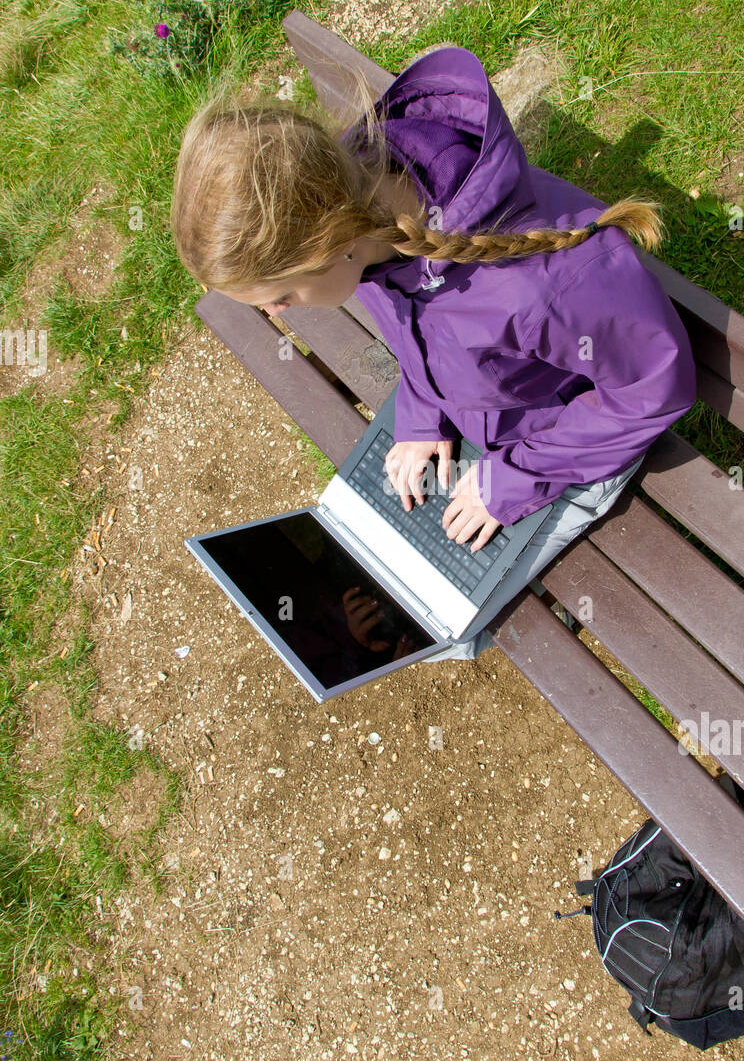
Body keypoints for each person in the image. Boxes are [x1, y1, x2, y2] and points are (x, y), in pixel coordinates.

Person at [170, 44, 697, 662]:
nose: (276, 313)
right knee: (394, 557)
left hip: (567, 444)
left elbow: (655, 388)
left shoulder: (542, 287)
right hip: (482, 415)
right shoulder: (365, 203)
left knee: (447, 631)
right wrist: (422, 415)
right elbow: (424, 324)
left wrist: (513, 480)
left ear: (330, 245)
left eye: (279, 295)